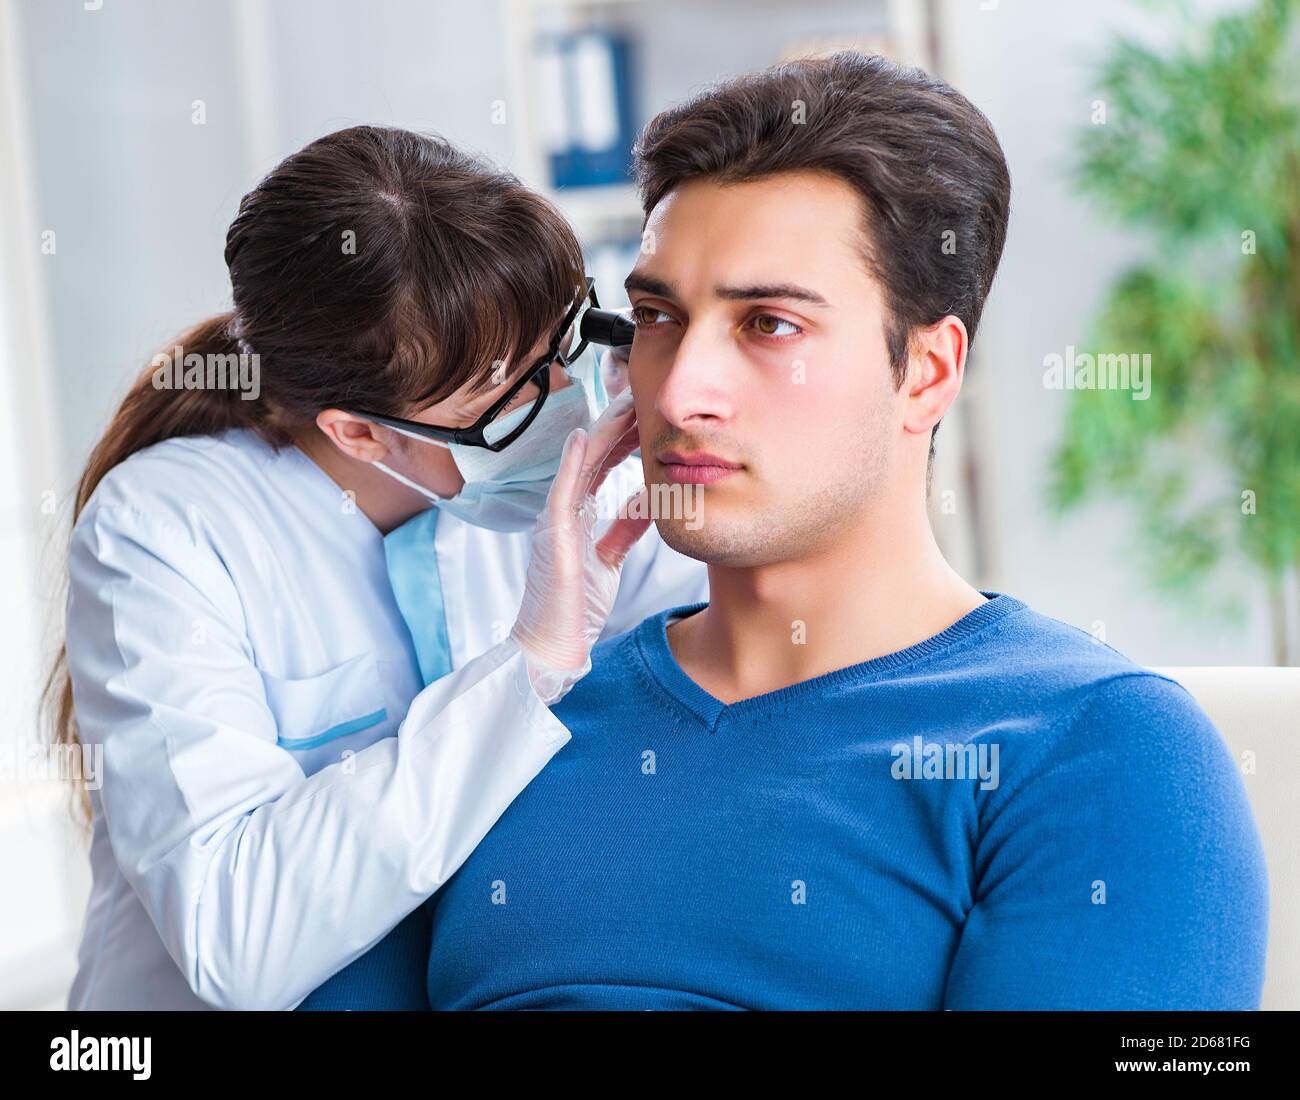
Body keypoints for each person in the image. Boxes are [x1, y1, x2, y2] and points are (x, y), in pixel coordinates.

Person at [403, 53, 1268, 1009]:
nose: (681, 392)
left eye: (768, 325)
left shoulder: (1099, 751)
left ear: (927, 373)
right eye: (656, 316)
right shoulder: (504, 728)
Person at [50, 125, 706, 1011]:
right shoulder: (166, 527)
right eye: (509, 396)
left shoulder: (571, 480)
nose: (569, 403)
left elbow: (735, 633)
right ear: (357, 431)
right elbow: (237, 937)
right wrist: (531, 663)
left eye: (566, 345)